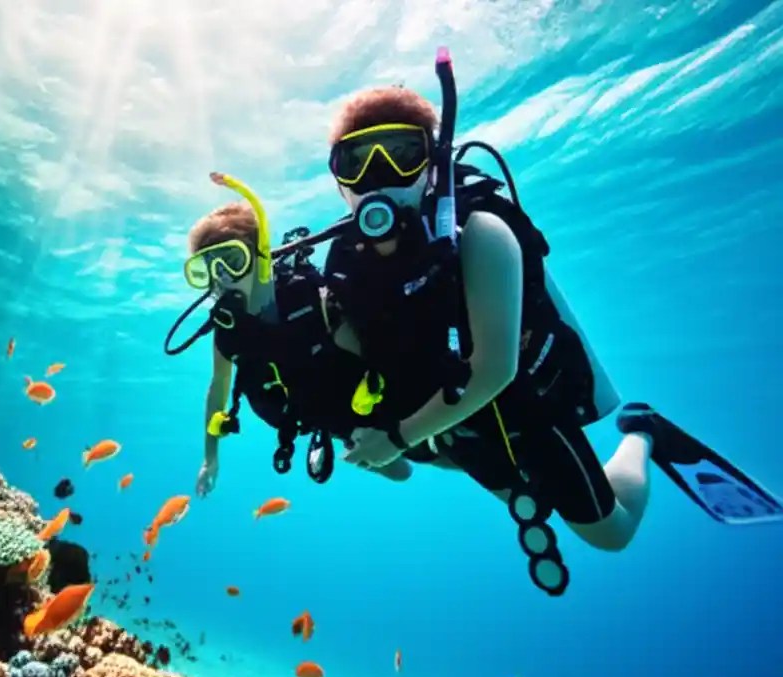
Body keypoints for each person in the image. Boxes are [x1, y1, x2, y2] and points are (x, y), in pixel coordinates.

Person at [304, 48, 782, 594]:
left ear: (433, 163)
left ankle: (642, 431)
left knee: (612, 534)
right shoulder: (341, 264)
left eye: (401, 155)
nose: (378, 179)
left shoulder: (480, 233)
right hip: (449, 415)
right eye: (356, 163)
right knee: (498, 478)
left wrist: (395, 437)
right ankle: (512, 480)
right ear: (339, 182)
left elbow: (493, 371)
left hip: (525, 406)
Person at [164, 176, 447, 499]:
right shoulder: (228, 329)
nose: (222, 279)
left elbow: (377, 355)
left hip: (374, 408)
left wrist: (398, 430)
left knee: (435, 453)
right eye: (207, 269)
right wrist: (209, 459)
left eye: (232, 261)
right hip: (326, 419)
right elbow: (218, 389)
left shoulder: (314, 299)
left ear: (261, 256)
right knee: (399, 473)